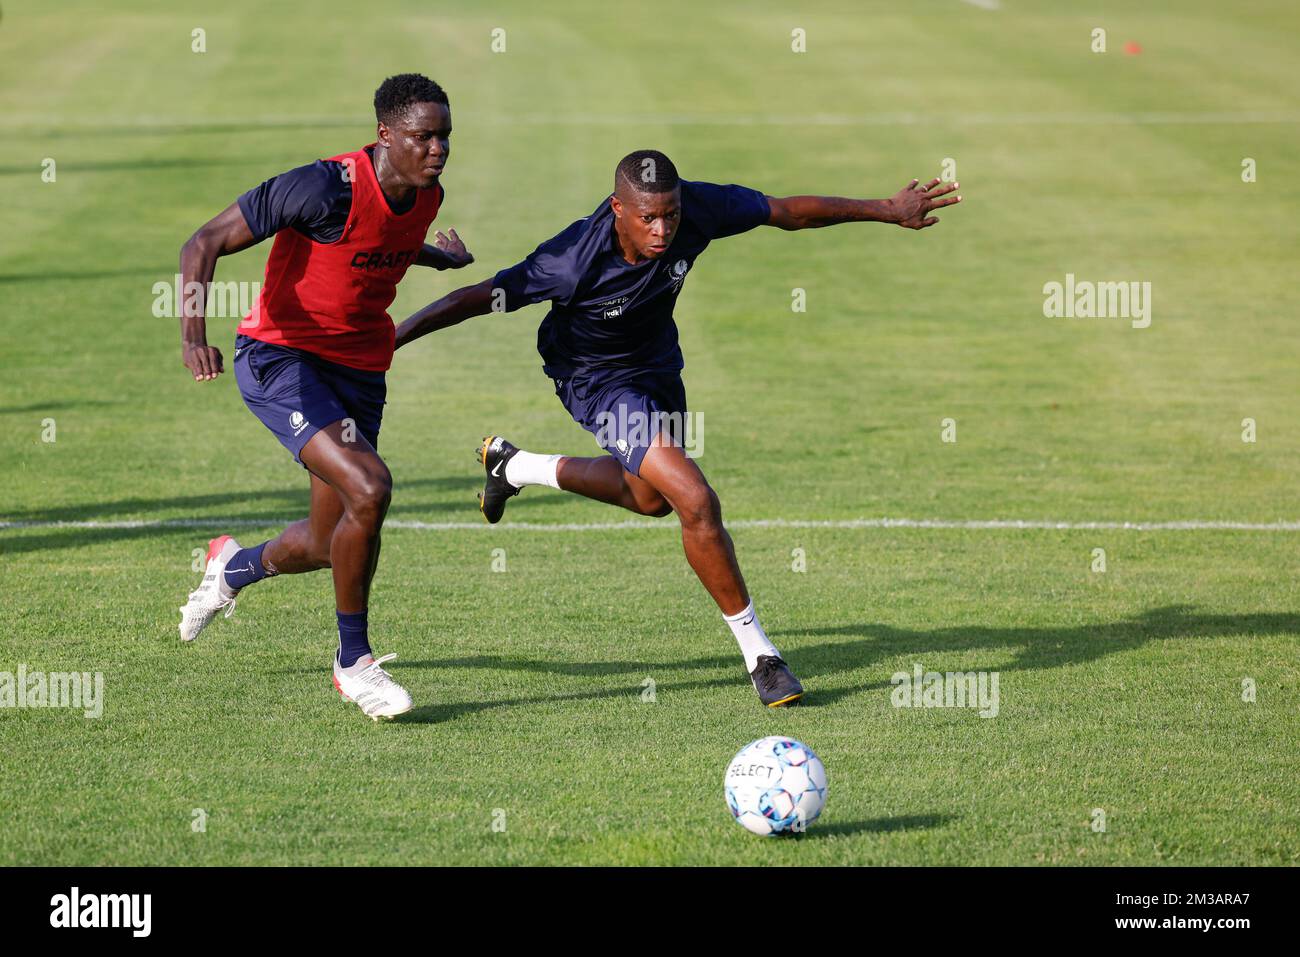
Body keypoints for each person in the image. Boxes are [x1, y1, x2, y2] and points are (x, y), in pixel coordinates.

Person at [393, 149, 961, 707]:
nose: (663, 229)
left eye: (670, 215)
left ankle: (513, 466)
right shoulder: (569, 261)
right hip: (595, 380)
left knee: (652, 501)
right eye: (648, 217)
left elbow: (788, 212)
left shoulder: (699, 208)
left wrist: (888, 209)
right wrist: (391, 339)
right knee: (695, 499)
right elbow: (474, 298)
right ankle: (762, 657)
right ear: (618, 208)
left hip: (658, 367)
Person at [175, 74, 474, 720]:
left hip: (360, 370)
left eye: (445, 135)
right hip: (283, 358)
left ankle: (233, 569)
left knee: (324, 538)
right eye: (424, 137)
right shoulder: (319, 187)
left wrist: (437, 260)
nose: (438, 149)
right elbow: (201, 242)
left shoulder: (426, 192)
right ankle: (353, 663)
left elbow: (383, 242)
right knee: (370, 487)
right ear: (386, 136)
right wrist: (193, 336)